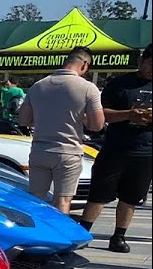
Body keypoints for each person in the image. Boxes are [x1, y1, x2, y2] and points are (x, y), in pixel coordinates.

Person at [77, 44, 153, 252]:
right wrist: (129, 114)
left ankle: (119, 236)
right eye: (150, 64)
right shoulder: (120, 84)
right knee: (99, 194)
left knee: (132, 197)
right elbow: (101, 114)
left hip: (145, 151)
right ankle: (82, 233)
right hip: (115, 148)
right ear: (142, 61)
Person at [18, 47, 105, 212]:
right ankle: (59, 236)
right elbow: (97, 125)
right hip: (68, 151)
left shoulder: (38, 86)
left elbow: (24, 120)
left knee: (36, 198)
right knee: (63, 200)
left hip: (40, 150)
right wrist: (82, 118)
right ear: (84, 64)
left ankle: (36, 234)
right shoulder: (88, 88)